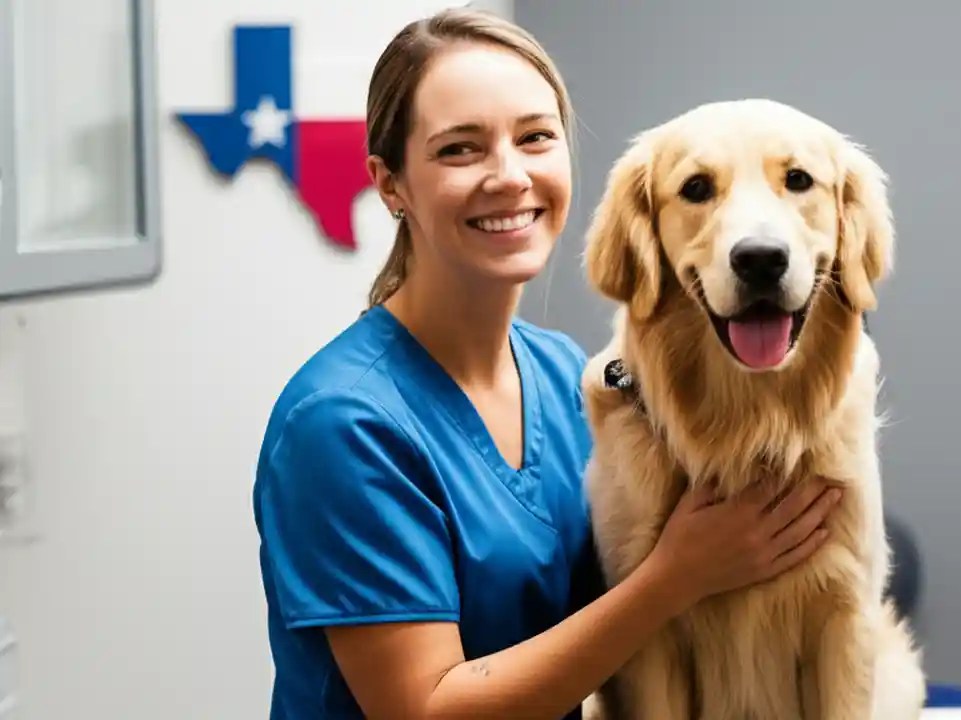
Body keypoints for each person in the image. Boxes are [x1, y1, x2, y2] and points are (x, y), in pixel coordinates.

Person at [251, 8, 842, 720]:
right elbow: (426, 710)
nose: (509, 176)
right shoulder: (341, 425)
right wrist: (677, 576)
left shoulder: (571, 378)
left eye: (535, 138)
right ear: (390, 184)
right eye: (460, 150)